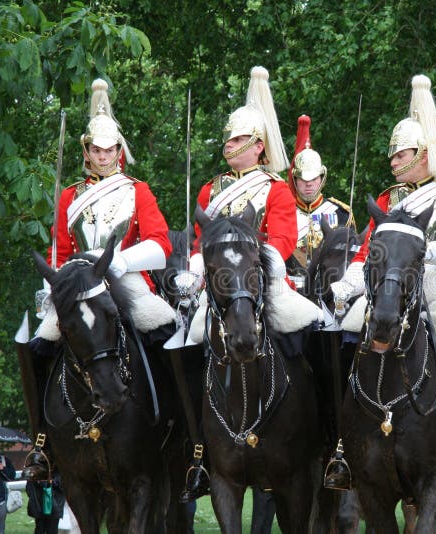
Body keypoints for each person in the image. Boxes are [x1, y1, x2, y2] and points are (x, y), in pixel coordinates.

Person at [328, 74, 436, 486]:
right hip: (388, 284)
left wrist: (429, 249)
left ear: (422, 154)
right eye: (392, 154)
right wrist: (347, 285)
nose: (393, 161)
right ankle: (342, 439)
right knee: (347, 328)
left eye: (401, 153)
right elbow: (365, 254)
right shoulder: (389, 200)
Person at [174, 66, 321, 502]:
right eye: (228, 139)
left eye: (237, 140)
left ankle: (329, 437)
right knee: (180, 344)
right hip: (219, 288)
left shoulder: (276, 189)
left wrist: (255, 273)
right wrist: (194, 271)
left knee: (322, 330)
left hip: (265, 282)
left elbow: (282, 239)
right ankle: (197, 449)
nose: (228, 145)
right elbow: (200, 242)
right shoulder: (209, 190)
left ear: (258, 147)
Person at [22, 78, 175, 480]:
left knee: (166, 329)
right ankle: (42, 444)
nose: (104, 156)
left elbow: (161, 245)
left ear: (118, 151)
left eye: (110, 150)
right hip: (76, 284)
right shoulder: (70, 196)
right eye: (96, 150)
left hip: (125, 276)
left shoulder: (138, 190)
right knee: (39, 342)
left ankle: (175, 426)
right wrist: (49, 292)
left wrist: (121, 262)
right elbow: (59, 251)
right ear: (86, 152)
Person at [285, 114, 354, 291]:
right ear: (295, 179)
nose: (308, 184)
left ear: (322, 177)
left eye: (313, 178)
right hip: (289, 290)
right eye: (302, 179)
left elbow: (352, 257)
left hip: (328, 290)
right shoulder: (282, 212)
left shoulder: (341, 213)